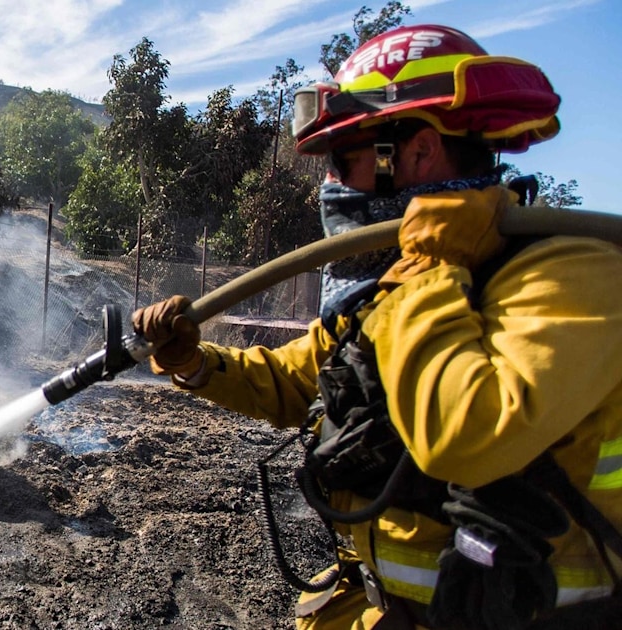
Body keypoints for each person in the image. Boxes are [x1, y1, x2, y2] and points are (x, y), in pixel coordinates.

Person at [133, 24, 622, 630]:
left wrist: (429, 266)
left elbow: (468, 440)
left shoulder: (571, 273)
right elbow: (305, 378)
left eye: (344, 159)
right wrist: (197, 363)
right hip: (381, 610)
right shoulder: (394, 285)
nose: (330, 186)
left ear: (416, 152)